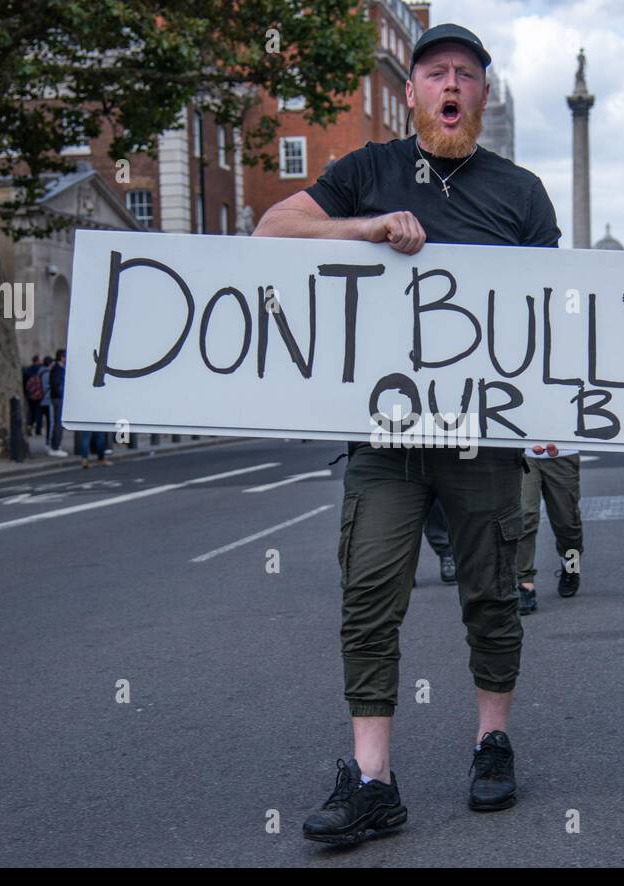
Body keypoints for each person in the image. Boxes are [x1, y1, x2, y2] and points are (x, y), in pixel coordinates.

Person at [254, 23, 562, 844]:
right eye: (435, 73)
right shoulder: (367, 172)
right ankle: (372, 781)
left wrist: (555, 413)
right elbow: (271, 231)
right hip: (384, 439)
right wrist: (363, 228)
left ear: (482, 96)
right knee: (368, 594)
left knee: (493, 592)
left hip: (482, 438)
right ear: (414, 91)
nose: (450, 85)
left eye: (466, 74)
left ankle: (490, 742)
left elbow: (557, 311)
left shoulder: (522, 193)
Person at [516, 443, 583, 615]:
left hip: (562, 453)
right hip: (523, 454)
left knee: (568, 523)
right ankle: (524, 582)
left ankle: (572, 566)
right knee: (525, 517)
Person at [47, 349, 67, 457]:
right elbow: (56, 384)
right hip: (57, 399)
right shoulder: (58, 368)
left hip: (57, 398)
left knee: (59, 423)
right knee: (58, 423)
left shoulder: (58, 368)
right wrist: (61, 394)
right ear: (62, 357)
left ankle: (56, 446)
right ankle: (55, 447)